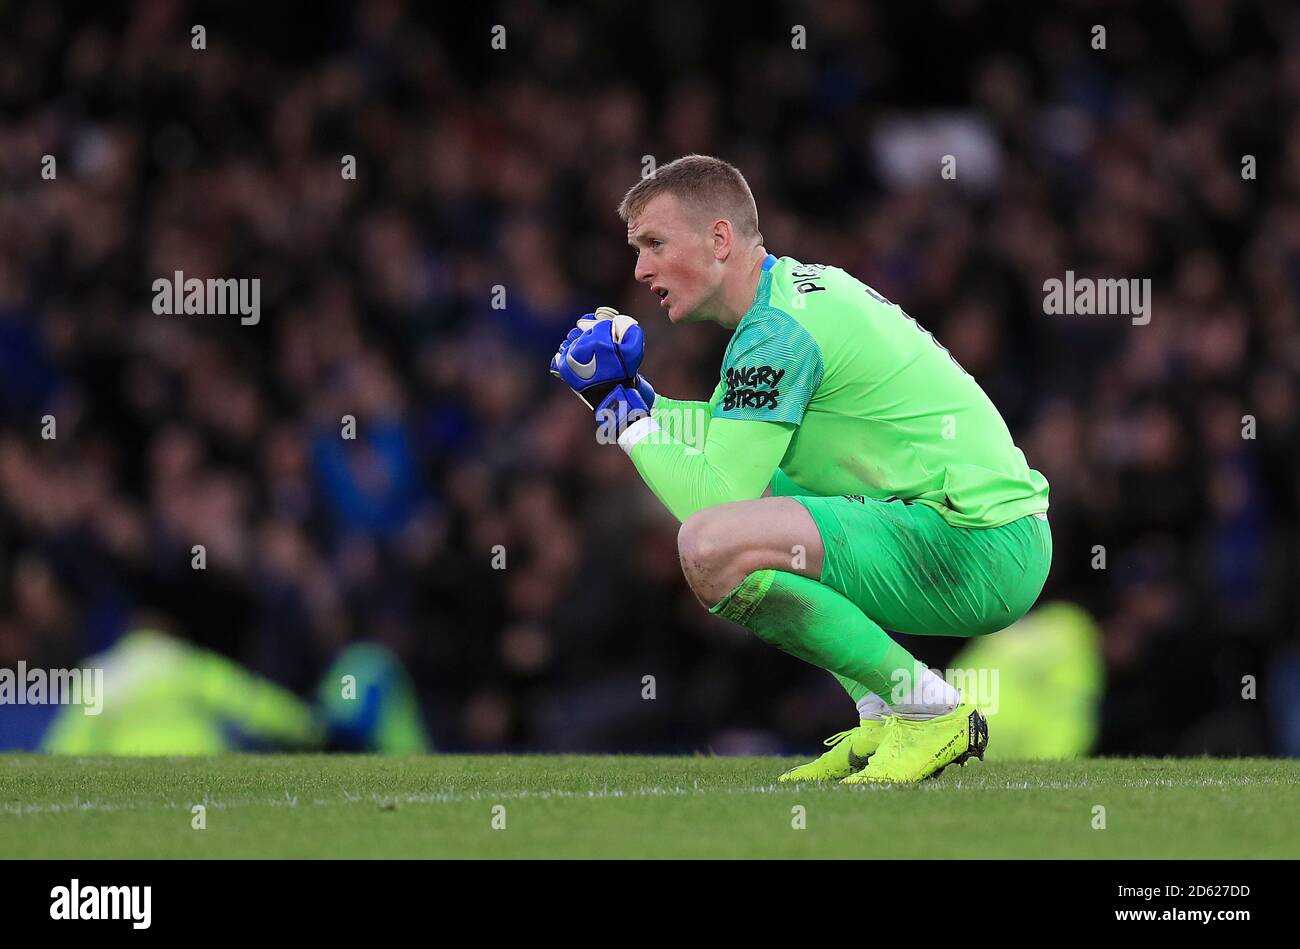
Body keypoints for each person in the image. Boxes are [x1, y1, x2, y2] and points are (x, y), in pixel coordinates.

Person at [551, 154, 1051, 783]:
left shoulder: (775, 333)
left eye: (654, 244)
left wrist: (619, 411)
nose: (641, 268)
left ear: (719, 239)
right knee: (774, 487)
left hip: (977, 545)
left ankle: (931, 710)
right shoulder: (792, 299)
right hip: (983, 533)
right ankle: (880, 720)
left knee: (711, 546)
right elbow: (726, 435)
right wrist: (635, 398)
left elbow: (711, 503)